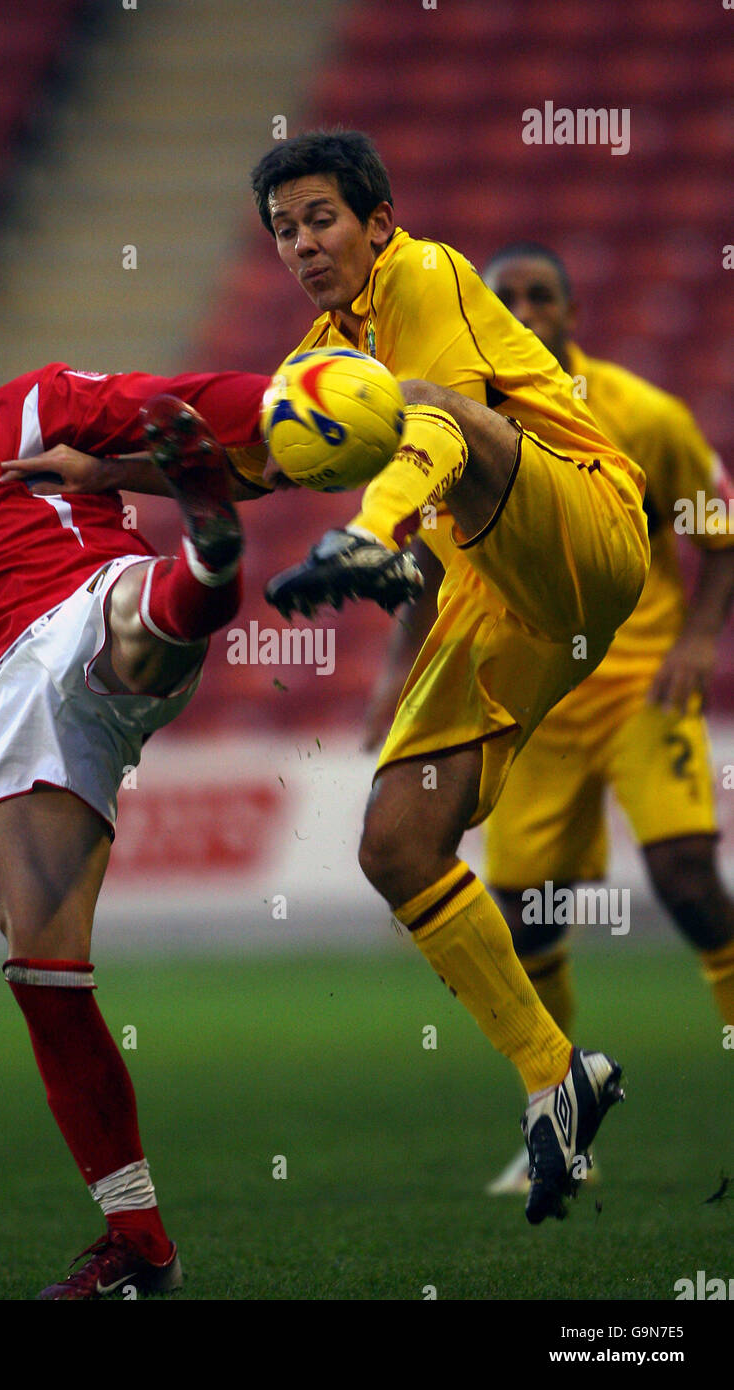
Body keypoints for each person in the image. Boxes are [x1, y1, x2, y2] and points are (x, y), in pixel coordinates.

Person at [247, 130, 651, 1224]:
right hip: (497, 593)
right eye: (283, 230)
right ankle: (552, 1074)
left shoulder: (421, 273)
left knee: (428, 398)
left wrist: (371, 529)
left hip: (587, 517)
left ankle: (360, 538)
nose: (302, 243)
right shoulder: (323, 354)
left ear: (376, 219)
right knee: (396, 843)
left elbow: (441, 421)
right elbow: (253, 449)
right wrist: (110, 462)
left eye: (320, 217)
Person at [0, 273, 271, 1299]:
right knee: (44, 977)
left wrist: (281, 408)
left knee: (126, 627)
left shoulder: (34, 402)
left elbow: (168, 397)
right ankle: (140, 1246)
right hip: (10, 703)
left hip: (86, 597)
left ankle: (204, 563)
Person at [474, 244, 734, 1191]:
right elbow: (432, 572)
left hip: (636, 689)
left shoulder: (642, 416)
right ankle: (558, 1123)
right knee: (524, 921)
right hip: (532, 701)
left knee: (686, 879)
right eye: (506, 299)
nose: (526, 309)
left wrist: (697, 641)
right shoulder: (466, 426)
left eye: (542, 294)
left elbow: (720, 534)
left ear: (572, 313)